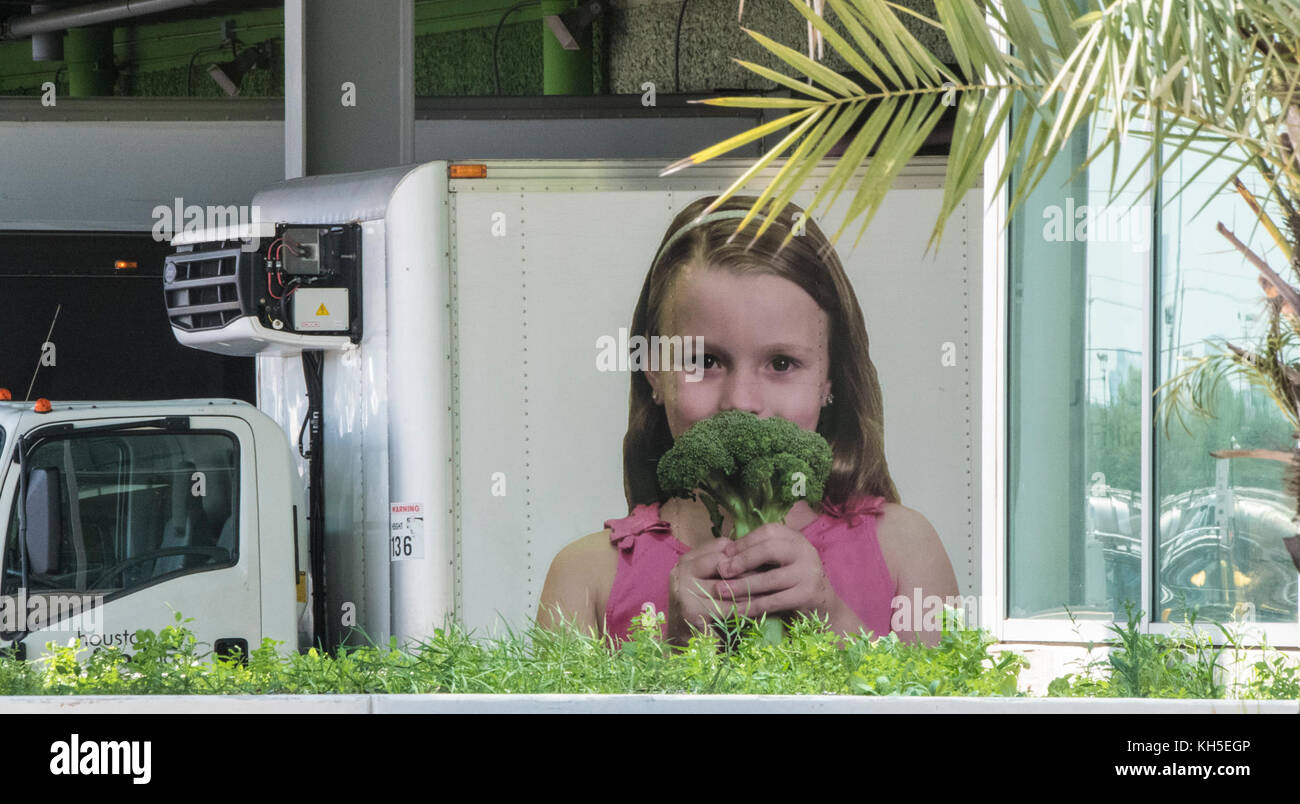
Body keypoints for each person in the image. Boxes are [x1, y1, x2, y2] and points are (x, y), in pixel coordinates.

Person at [538, 194, 959, 646]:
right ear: (654, 373)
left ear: (830, 378)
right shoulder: (583, 577)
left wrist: (833, 620)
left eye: (781, 364)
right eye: (704, 361)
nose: (741, 400)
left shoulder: (905, 548)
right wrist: (677, 653)